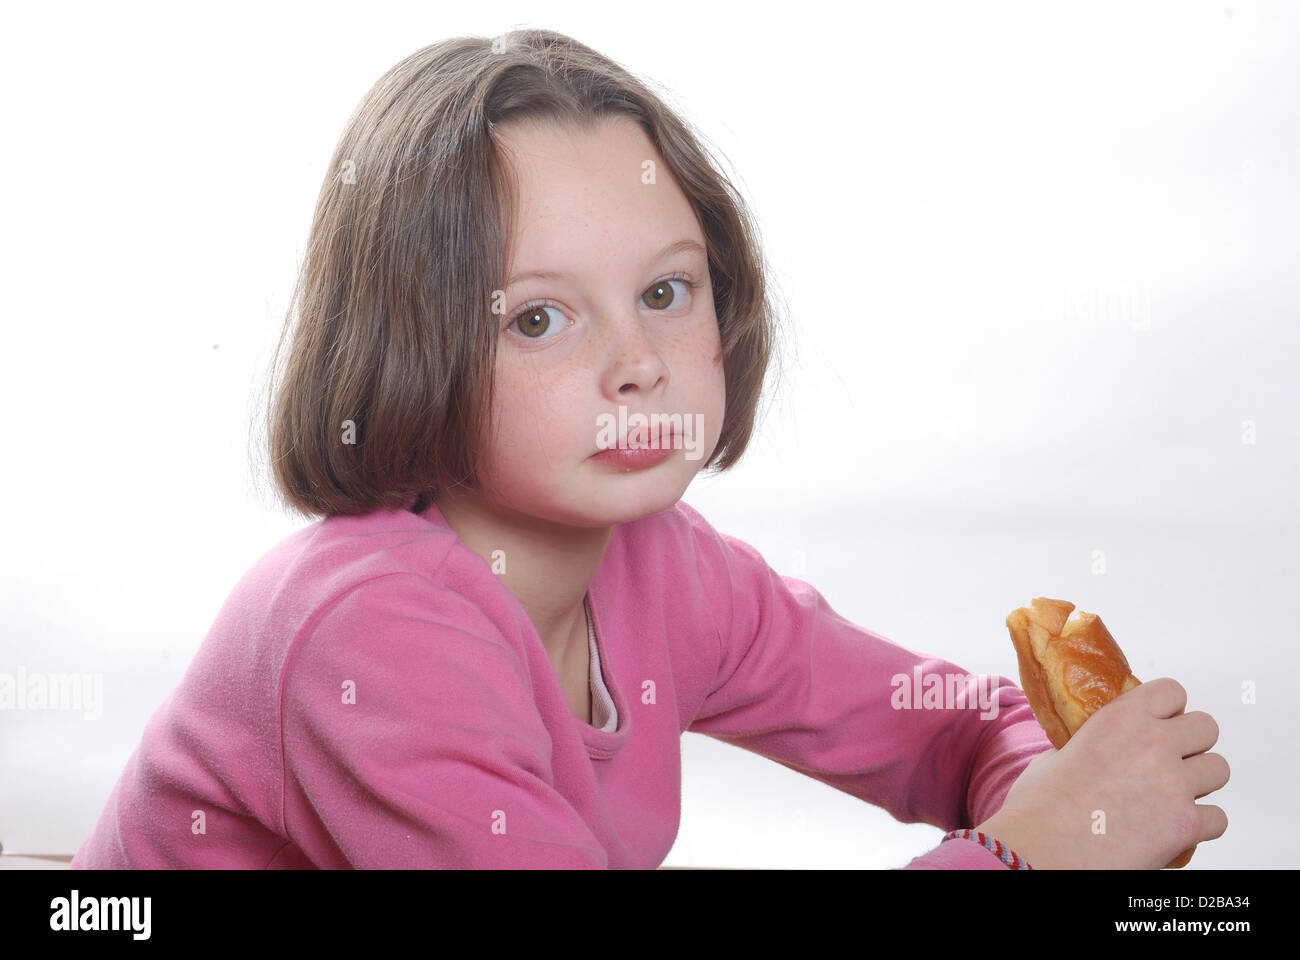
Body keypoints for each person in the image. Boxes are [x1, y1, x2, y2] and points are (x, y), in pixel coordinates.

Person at [70, 29, 1228, 869]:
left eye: (666, 291)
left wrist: (1064, 791)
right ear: (408, 345)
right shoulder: (374, 631)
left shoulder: (669, 569)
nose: (640, 363)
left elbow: (957, 722)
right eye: (537, 317)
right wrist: (1030, 858)